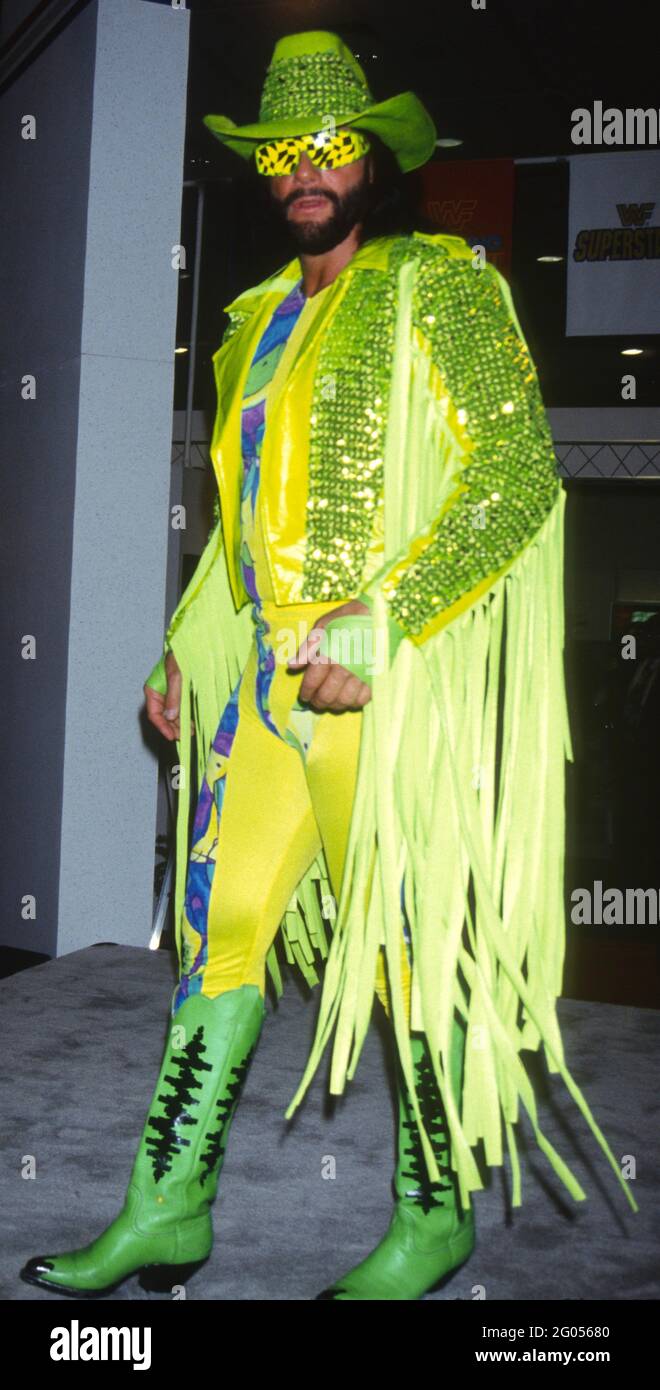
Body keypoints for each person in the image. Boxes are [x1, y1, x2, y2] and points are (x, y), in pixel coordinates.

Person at [20, 28, 638, 1304]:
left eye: (330, 148)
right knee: (218, 939)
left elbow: (517, 474)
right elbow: (240, 532)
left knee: (407, 952)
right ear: (266, 175)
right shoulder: (249, 324)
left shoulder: (440, 286)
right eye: (284, 153)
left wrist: (380, 620)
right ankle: (166, 1208)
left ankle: (434, 1218)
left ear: (372, 160)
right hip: (257, 688)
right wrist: (186, 647)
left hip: (379, 684)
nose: (307, 171)